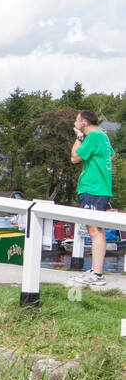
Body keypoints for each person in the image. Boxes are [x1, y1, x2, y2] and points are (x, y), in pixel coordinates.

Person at [70, 109, 114, 287]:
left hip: (93, 188)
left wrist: (79, 138)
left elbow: (74, 157)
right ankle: (97, 271)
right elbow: (111, 154)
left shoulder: (93, 136)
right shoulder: (103, 136)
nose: (75, 122)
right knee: (98, 231)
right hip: (101, 188)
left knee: (94, 231)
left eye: (77, 120)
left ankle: (97, 274)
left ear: (84, 122)